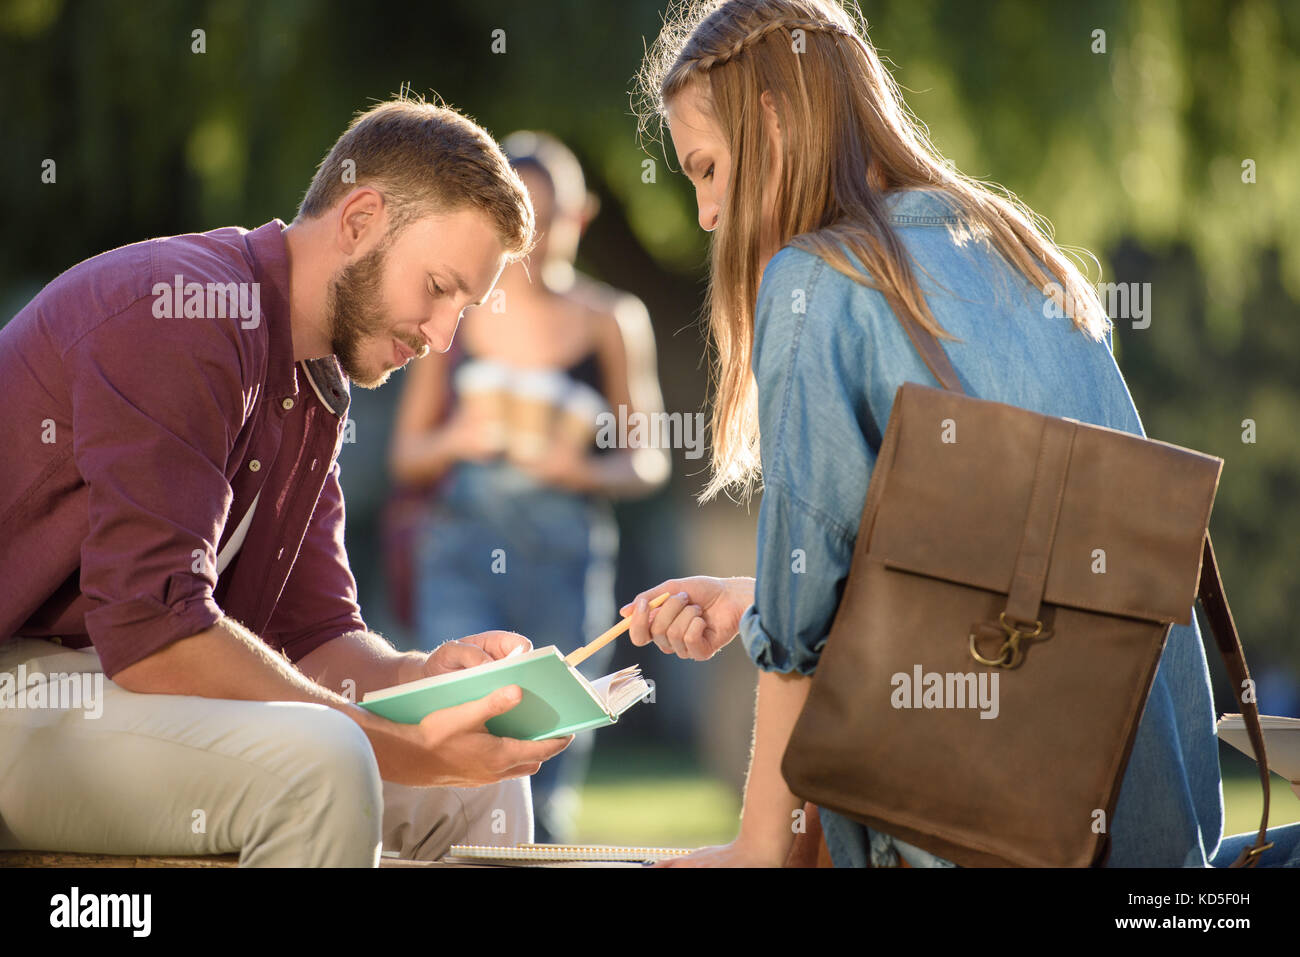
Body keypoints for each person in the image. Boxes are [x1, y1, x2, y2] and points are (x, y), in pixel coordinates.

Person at [621, 0, 1300, 867]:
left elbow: (801, 636)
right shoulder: (1016, 248)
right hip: (1150, 832)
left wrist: (758, 848)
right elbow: (1018, 567)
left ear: (771, 119)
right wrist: (757, 590)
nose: (708, 213)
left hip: (981, 832)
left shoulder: (814, 279)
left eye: (707, 169)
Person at [0, 95, 576, 866]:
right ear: (361, 218)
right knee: (326, 760)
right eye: (439, 288)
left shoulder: (311, 383)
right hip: (26, 683)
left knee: (481, 784)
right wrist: (401, 746)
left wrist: (422, 677)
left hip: (117, 686)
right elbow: (152, 633)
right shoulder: (184, 311)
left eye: (463, 308)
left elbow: (314, 637)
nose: (443, 337)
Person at [389, 131, 671, 842]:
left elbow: (650, 458)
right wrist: (461, 438)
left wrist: (582, 469)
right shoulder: (462, 309)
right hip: (461, 551)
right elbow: (408, 453)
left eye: (555, 219)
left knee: (547, 767)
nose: (539, 239)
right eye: (525, 220)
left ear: (583, 216)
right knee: (456, 749)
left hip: (565, 560)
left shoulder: (612, 318)